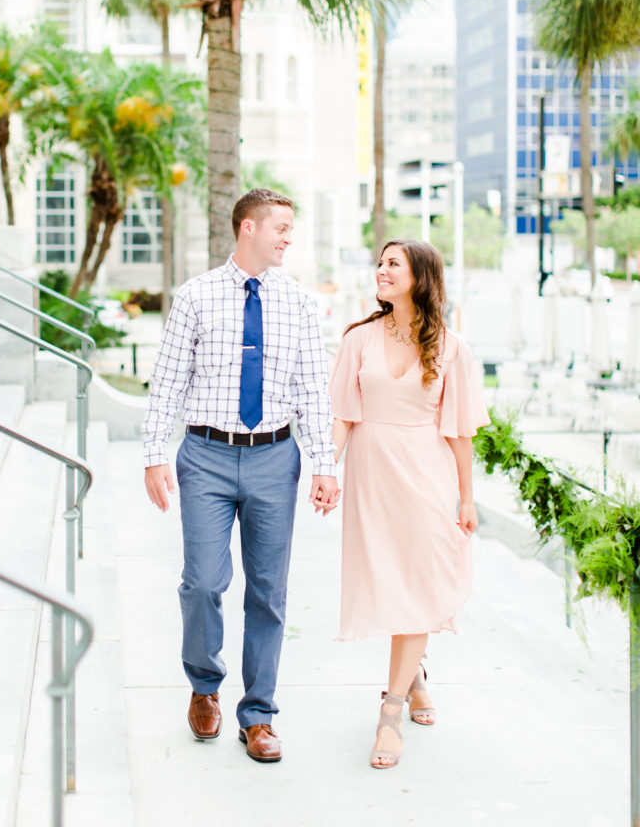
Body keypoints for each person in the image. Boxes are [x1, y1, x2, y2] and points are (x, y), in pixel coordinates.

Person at [143, 188, 339, 764]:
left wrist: (324, 464)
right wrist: (155, 455)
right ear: (247, 227)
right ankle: (205, 687)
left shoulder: (300, 304)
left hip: (275, 457)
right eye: (280, 226)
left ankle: (258, 716)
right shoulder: (195, 296)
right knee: (203, 582)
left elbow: (311, 390)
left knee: (269, 591)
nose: (288, 237)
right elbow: (169, 380)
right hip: (204, 453)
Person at [329, 239, 488, 770]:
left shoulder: (449, 346)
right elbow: (344, 415)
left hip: (427, 476)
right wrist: (326, 470)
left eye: (392, 264)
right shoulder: (358, 339)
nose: (381, 270)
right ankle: (414, 675)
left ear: (420, 275)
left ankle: (391, 712)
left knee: (419, 584)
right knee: (389, 582)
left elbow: (461, 430)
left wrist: (467, 497)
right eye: (379, 262)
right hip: (372, 478)